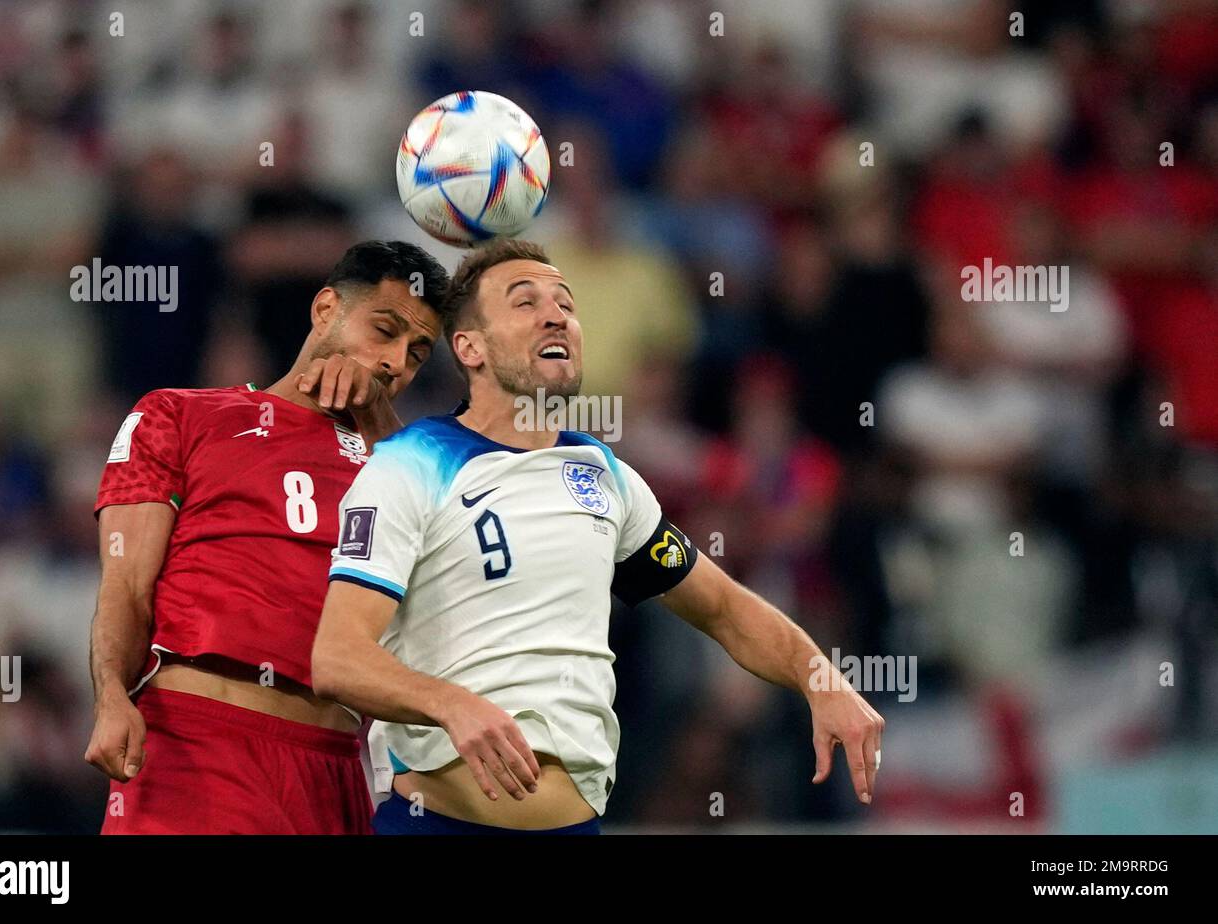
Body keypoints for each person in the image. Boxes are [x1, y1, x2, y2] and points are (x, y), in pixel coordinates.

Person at [310, 239, 884, 833]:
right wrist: (449, 705)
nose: (557, 314)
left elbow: (723, 608)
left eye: (566, 303)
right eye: (525, 302)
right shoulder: (412, 464)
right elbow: (339, 658)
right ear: (470, 347)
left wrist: (823, 681)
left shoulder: (604, 476)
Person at [85, 240, 450, 834]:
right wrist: (111, 698)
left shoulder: (406, 467)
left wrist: (378, 423)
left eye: (417, 354)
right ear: (325, 309)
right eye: (383, 331)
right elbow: (125, 584)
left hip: (332, 768)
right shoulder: (178, 415)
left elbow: (447, 568)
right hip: (198, 741)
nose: (395, 362)